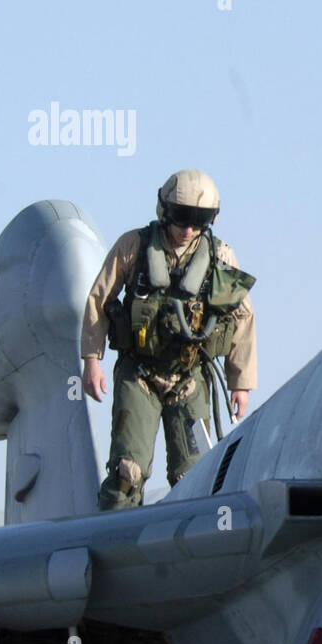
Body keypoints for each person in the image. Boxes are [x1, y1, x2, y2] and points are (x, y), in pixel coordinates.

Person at [80, 169, 257, 510]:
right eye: (180, 217)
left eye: (197, 220)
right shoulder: (133, 246)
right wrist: (91, 359)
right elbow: (99, 299)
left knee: (195, 481)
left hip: (190, 379)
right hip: (140, 375)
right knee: (125, 476)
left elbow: (243, 317)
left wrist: (241, 383)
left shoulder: (220, 257)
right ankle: (114, 549)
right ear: (164, 211)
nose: (187, 229)